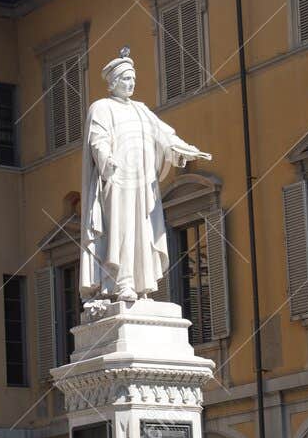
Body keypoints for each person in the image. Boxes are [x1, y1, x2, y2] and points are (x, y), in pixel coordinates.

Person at [79, 48, 211, 305]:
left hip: (142, 183)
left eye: (133, 79)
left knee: (142, 230)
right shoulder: (101, 108)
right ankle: (122, 282)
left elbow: (164, 135)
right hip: (117, 181)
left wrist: (184, 149)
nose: (132, 83)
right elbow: (98, 139)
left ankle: (140, 285)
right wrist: (107, 159)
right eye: (126, 79)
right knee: (122, 230)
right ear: (113, 82)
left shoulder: (141, 110)